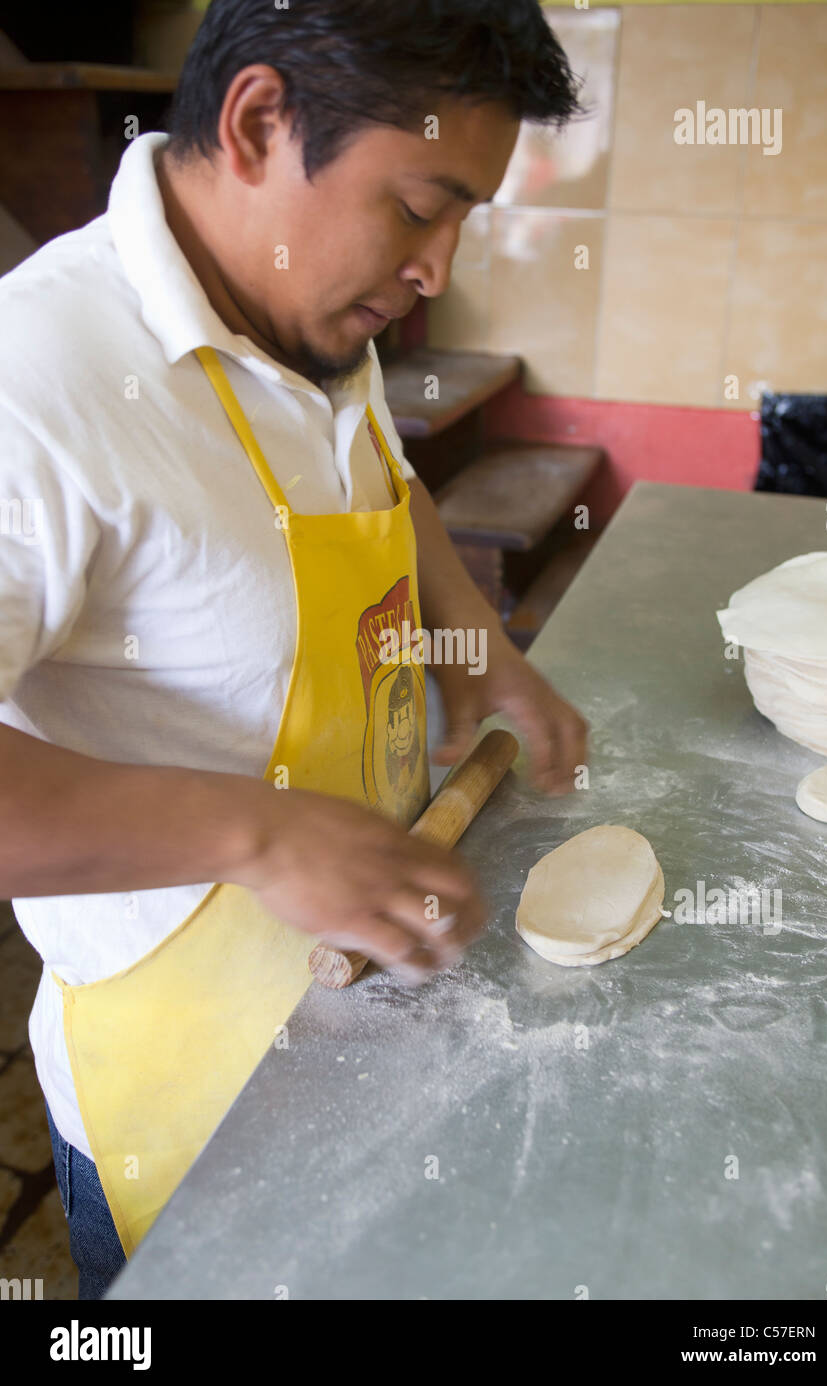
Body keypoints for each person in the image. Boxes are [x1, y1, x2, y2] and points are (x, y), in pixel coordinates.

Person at [0, 0, 588, 1299]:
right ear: (259, 120)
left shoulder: (307, 320)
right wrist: (258, 832)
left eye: (462, 218)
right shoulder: (37, 380)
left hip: (354, 1014)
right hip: (188, 1094)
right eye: (419, 205)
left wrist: (481, 651)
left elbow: (383, 483)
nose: (436, 265)